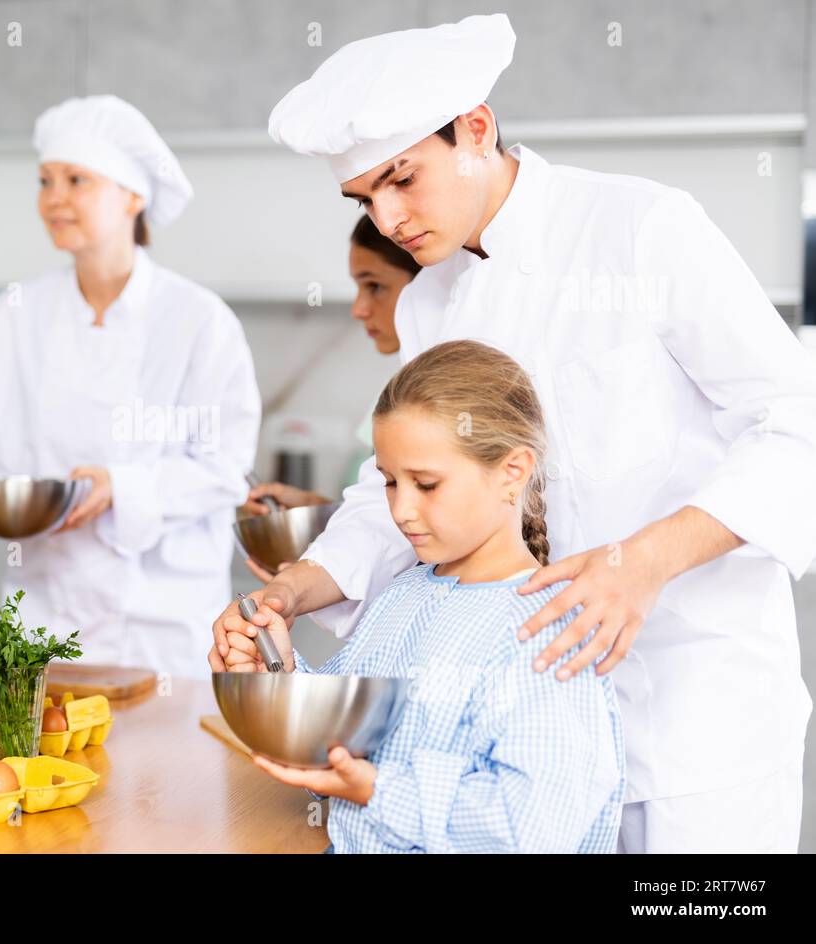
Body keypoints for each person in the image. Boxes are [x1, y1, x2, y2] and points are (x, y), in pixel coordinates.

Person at [212, 13, 816, 852]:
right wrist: (292, 590)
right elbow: (406, 478)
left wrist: (640, 564)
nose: (386, 219)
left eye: (402, 179)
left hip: (693, 721)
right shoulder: (430, 299)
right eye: (363, 199)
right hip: (526, 740)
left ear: (476, 129)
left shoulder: (641, 230)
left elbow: (798, 425)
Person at [225, 341, 624, 853]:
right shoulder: (407, 593)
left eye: (426, 484)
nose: (402, 511)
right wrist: (274, 669)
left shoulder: (549, 628)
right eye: (390, 483)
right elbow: (343, 740)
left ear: (513, 472)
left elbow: (532, 828)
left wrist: (375, 789)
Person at [0, 96, 260, 681]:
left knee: (166, 773)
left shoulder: (198, 320)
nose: (54, 198)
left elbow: (225, 467)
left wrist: (120, 486)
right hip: (45, 616)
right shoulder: (11, 314)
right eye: (46, 180)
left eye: (77, 179)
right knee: (47, 769)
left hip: (163, 625)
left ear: (133, 195)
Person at [241, 214, 420, 582]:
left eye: (375, 287)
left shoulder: (436, 399)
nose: (359, 309)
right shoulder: (400, 388)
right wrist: (320, 514)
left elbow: (422, 534)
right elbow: (389, 522)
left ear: (426, 283)